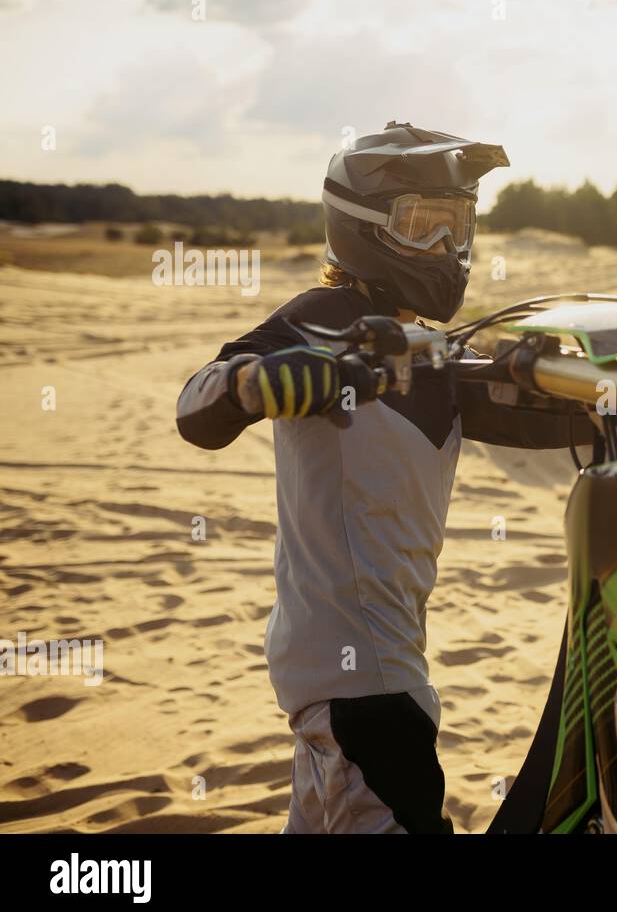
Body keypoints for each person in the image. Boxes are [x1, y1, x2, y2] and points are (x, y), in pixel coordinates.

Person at [176, 122, 589, 833]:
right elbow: (197, 404)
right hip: (357, 685)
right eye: (422, 226)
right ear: (364, 225)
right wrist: (259, 381)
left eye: (456, 229)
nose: (443, 249)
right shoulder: (326, 321)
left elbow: (554, 422)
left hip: (382, 676)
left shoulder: (431, 355)